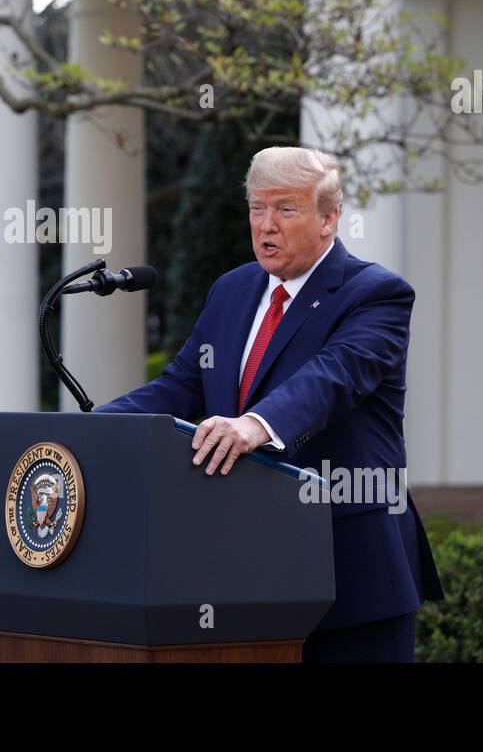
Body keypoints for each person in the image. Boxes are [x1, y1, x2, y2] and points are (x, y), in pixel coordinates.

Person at [95, 145, 444, 662]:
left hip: (349, 569)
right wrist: (93, 429)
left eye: (286, 208)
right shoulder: (232, 290)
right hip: (243, 571)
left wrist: (257, 424)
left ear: (329, 219)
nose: (266, 225)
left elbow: (335, 376)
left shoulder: (376, 294)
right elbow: (181, 386)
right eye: (257, 208)